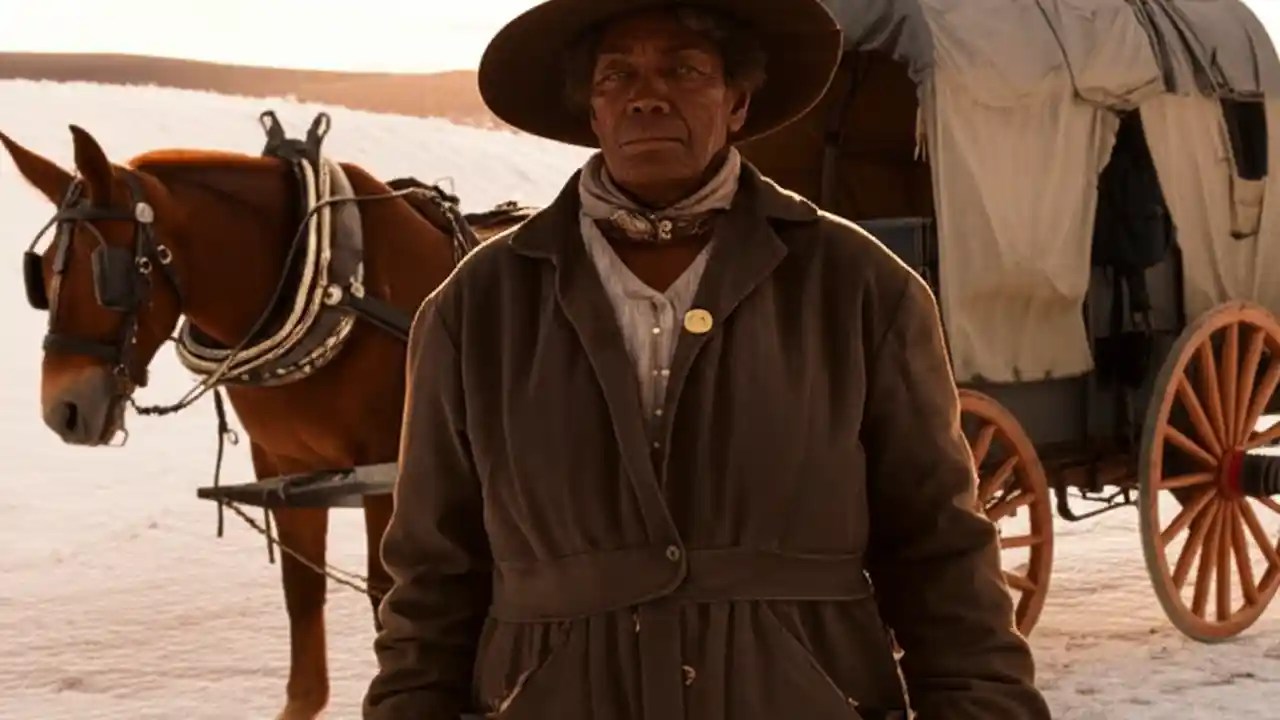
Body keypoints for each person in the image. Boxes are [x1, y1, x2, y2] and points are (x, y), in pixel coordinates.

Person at [363, 0, 1052, 718]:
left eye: (684, 70)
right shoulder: (476, 309)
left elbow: (937, 547)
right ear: (592, 111)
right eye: (616, 75)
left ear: (738, 102)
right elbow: (433, 575)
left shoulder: (860, 289)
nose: (647, 95)